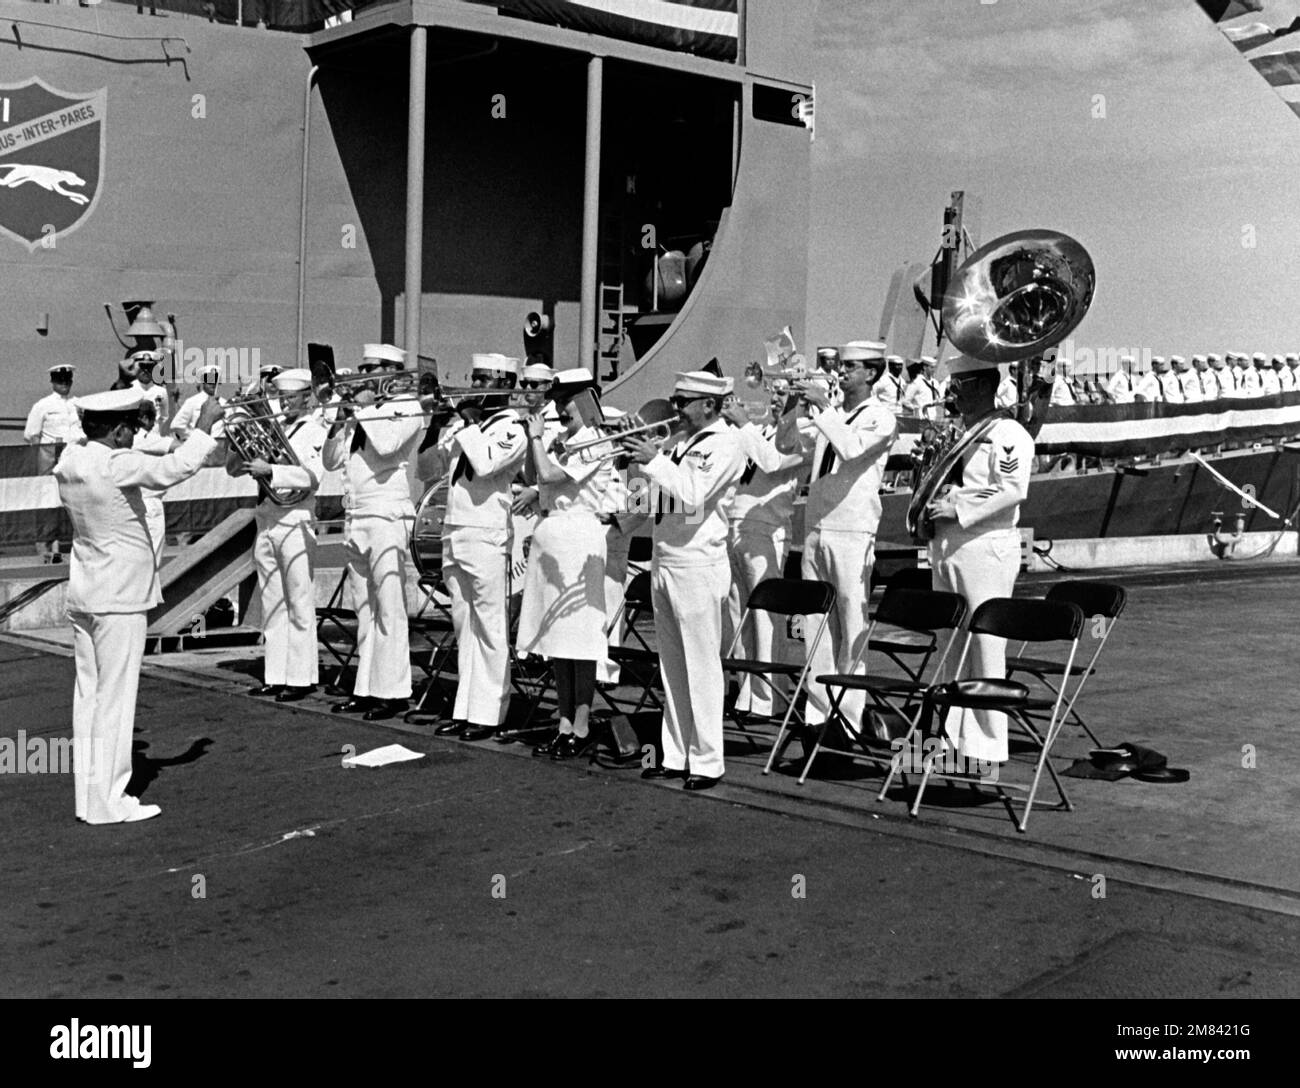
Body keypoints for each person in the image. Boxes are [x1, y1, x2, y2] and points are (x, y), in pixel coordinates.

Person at [55, 387, 222, 824]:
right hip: (120, 596)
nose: (135, 434)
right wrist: (205, 426)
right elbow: (175, 468)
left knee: (89, 698)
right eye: (130, 427)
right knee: (115, 699)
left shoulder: (71, 460)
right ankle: (110, 802)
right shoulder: (114, 462)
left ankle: (89, 799)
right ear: (116, 429)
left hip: (86, 592)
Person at [624, 370, 745, 791]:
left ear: (709, 405)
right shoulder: (677, 444)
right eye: (674, 400)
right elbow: (642, 504)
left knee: (702, 665)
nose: (674, 409)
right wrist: (634, 464)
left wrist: (654, 459)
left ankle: (708, 760)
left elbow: (693, 497)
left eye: (683, 402)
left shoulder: (726, 444)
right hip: (666, 559)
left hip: (699, 564)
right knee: (671, 665)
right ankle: (675, 754)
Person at [776, 340, 896, 740]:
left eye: (852, 368)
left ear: (873, 374)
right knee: (816, 626)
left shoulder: (879, 416)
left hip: (852, 530)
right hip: (817, 528)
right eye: (841, 368)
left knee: (850, 622)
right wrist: (790, 413)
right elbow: (786, 450)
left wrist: (823, 409)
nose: (842, 373)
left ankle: (849, 716)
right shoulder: (833, 415)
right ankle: (817, 713)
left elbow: (851, 449)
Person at [923, 354, 1034, 767]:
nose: (953, 392)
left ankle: (987, 745)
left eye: (962, 384)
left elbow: (1012, 489)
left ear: (985, 384)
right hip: (949, 545)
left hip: (985, 545)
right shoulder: (960, 432)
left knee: (986, 644)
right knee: (952, 644)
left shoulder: (1007, 433)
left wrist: (959, 508)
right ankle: (951, 739)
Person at [322, 344, 426, 722]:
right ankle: (366, 686)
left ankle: (394, 691)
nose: (362, 375)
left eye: (371, 368)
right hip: (358, 515)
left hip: (387, 515)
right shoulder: (361, 414)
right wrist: (339, 418)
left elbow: (386, 447)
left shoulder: (408, 406)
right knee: (364, 608)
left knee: (390, 608)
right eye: (363, 367)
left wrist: (363, 408)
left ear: (392, 373)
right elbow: (330, 461)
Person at [514, 370, 613, 759]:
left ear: (587, 399)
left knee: (580, 641)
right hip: (553, 541)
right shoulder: (560, 439)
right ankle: (564, 723)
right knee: (558, 641)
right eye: (556, 400)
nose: (559, 408)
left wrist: (538, 438)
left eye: (567, 399)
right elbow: (533, 474)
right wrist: (532, 436)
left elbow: (553, 473)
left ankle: (583, 724)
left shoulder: (595, 439)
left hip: (579, 541)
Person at [431, 353, 528, 741]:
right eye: (475, 378)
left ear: (503, 386)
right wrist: (440, 424)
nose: (474, 386)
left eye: (484, 380)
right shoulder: (468, 426)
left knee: (490, 625)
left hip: (487, 533)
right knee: (463, 624)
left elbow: (486, 465)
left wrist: (468, 422)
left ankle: (490, 712)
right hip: (456, 530)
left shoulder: (513, 429)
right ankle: (466, 706)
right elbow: (432, 469)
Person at [227, 368, 327, 702]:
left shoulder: (314, 429)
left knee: (299, 600)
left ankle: (300, 678)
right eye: (281, 396)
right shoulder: (275, 427)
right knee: (272, 600)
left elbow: (312, 476)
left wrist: (272, 470)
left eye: (291, 397)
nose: (284, 402)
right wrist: (237, 447)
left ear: (307, 397)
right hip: (268, 516)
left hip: (295, 518)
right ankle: (276, 673)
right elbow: (232, 468)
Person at [719, 380, 811, 721]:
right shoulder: (760, 429)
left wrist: (743, 424)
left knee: (765, 617)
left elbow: (772, 463)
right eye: (773, 393)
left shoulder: (803, 436)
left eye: (785, 395)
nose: (775, 399)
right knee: (738, 613)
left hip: (767, 529)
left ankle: (767, 698)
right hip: (736, 524)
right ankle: (746, 691)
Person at [26, 364, 83, 562]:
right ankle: (44, 545)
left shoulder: (78, 404)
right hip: (50, 456)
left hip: (72, 455)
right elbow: (32, 436)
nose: (64, 384)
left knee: (72, 497)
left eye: (67, 380)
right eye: (60, 381)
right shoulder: (43, 405)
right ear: (53, 382)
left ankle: (64, 543)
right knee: (48, 500)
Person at [170, 364, 222, 440]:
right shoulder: (193, 401)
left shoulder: (224, 402)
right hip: (201, 443)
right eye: (209, 379)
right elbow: (176, 425)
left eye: (215, 380)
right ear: (203, 382)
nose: (213, 383)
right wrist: (193, 438)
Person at [130, 350, 171, 432]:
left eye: (149, 367)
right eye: (142, 366)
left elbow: (164, 417)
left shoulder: (161, 392)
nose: (146, 370)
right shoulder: (129, 389)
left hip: (154, 435)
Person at [902, 355, 943, 420]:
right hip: (921, 419)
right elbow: (905, 401)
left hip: (933, 418)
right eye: (931, 367)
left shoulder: (935, 383)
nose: (933, 370)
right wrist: (916, 409)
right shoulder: (917, 382)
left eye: (934, 368)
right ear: (924, 367)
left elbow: (936, 399)